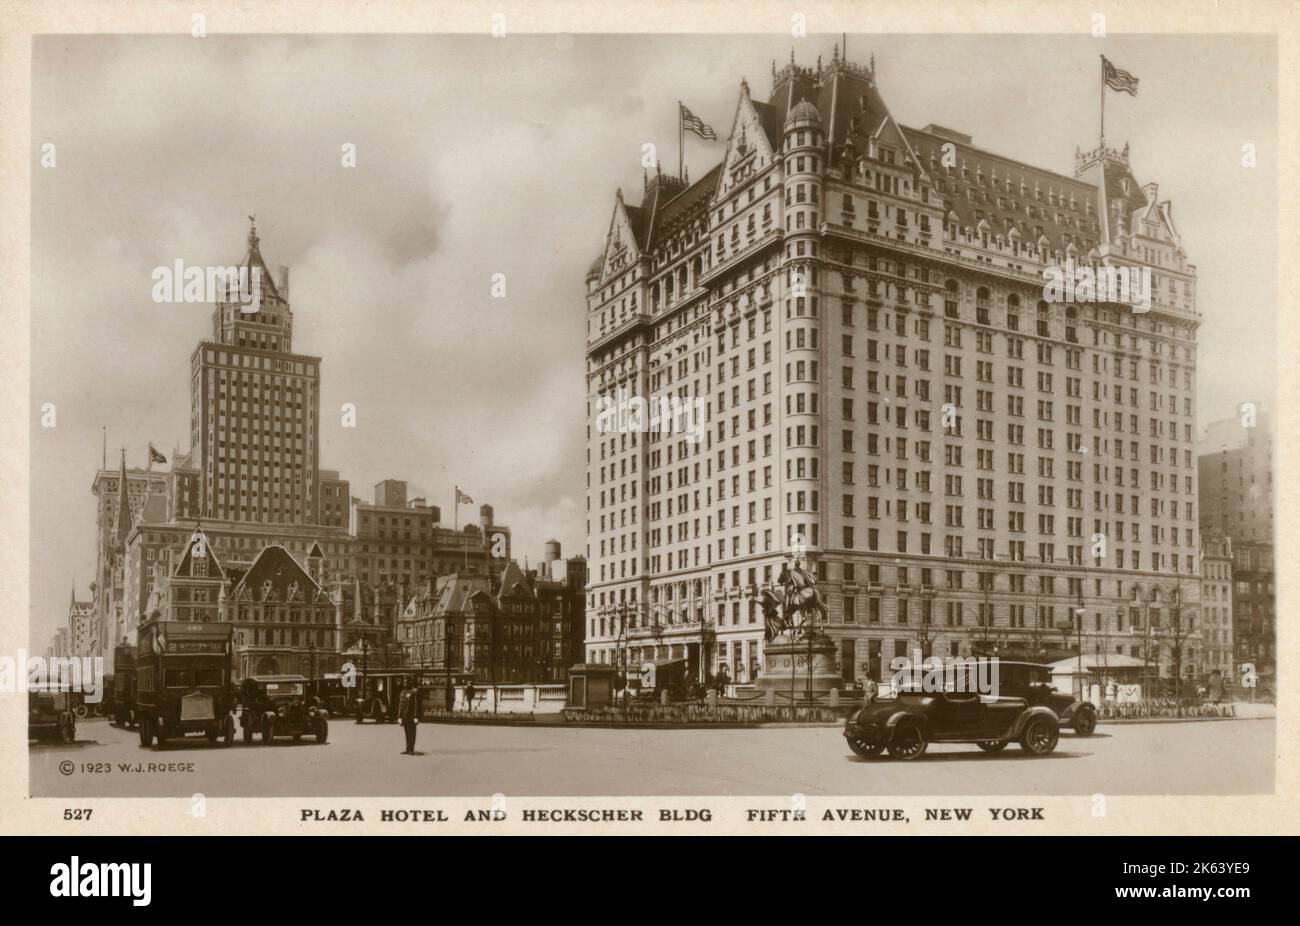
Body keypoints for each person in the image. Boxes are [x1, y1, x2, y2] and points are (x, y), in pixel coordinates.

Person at [397, 678, 419, 755]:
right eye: (404, 682)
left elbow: (416, 705)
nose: (405, 683)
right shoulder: (403, 692)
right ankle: (407, 748)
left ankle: (411, 749)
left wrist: (416, 716)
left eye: (407, 682)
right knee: (407, 733)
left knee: (412, 733)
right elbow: (401, 705)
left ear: (410, 682)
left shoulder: (414, 691)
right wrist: (399, 717)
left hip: (411, 716)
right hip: (404, 716)